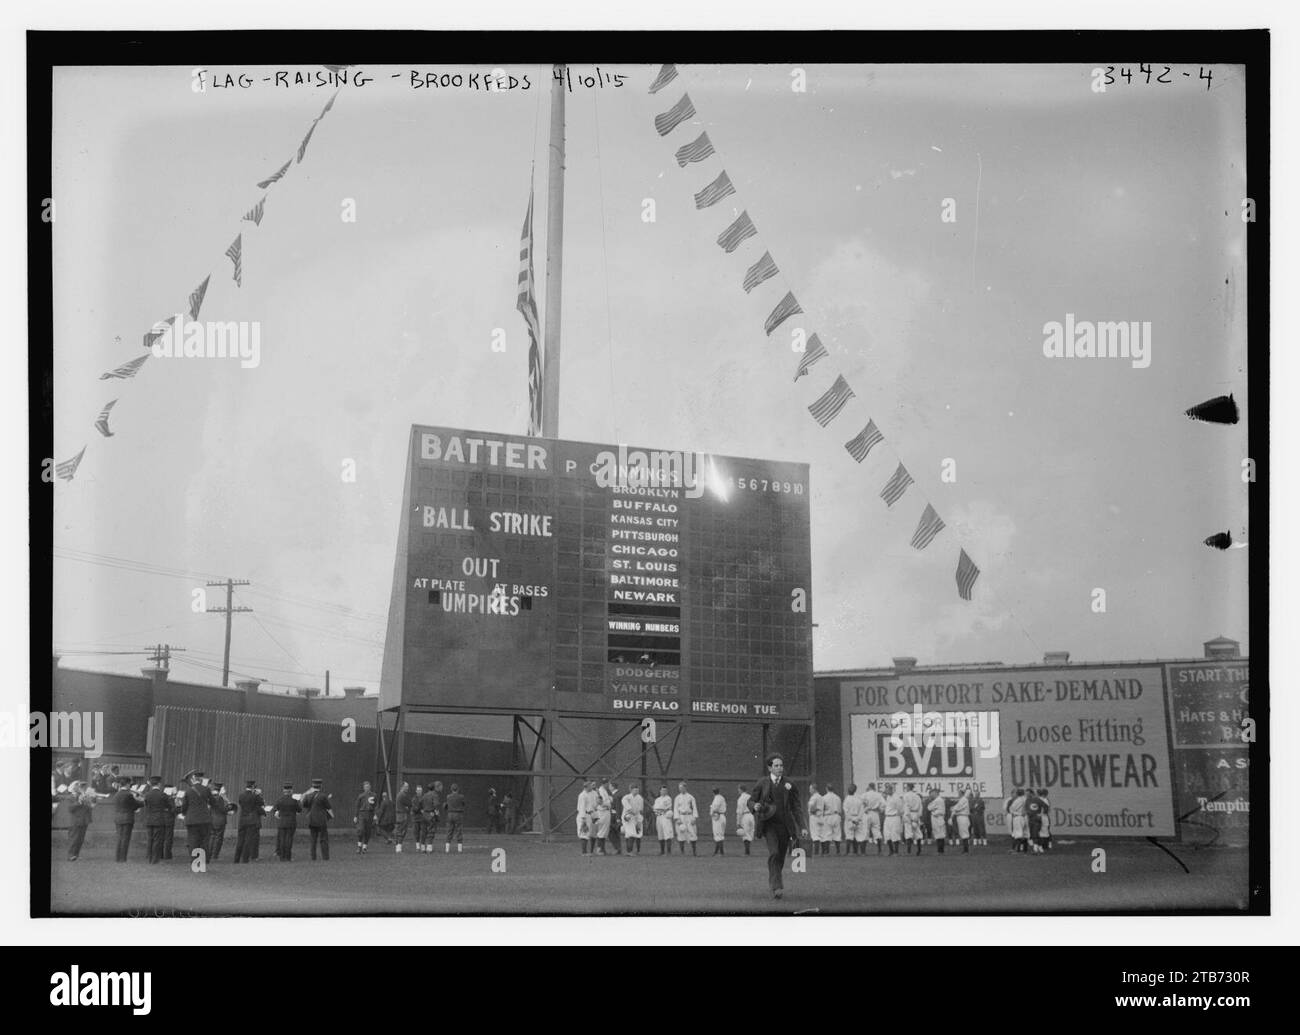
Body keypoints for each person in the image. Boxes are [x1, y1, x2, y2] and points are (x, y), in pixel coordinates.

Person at [747, 754, 808, 900]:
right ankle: (777, 887)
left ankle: (774, 881)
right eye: (776, 766)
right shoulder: (762, 783)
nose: (780, 768)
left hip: (786, 827)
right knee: (774, 853)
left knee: (780, 856)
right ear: (770, 767)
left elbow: (796, 807)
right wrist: (754, 806)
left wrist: (803, 827)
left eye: (781, 765)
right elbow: (750, 800)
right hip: (768, 826)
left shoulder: (790, 784)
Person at [178, 769, 214, 861]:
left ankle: (195, 861)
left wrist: (184, 813)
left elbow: (184, 806)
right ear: (201, 779)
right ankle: (203, 860)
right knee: (204, 841)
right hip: (204, 819)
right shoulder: (206, 790)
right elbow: (213, 803)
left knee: (193, 841)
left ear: (194, 778)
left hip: (191, 820)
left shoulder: (188, 791)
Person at [110, 776, 142, 863]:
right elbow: (135, 805)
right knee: (125, 839)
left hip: (118, 818)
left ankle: (117, 857)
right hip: (127, 818)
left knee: (119, 838)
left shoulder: (117, 794)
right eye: (129, 784)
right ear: (127, 784)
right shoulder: (128, 794)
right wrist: (140, 799)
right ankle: (123, 858)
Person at [234, 780, 265, 864]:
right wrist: (258, 795)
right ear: (252, 787)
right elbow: (261, 803)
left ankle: (236, 859)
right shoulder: (254, 796)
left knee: (240, 840)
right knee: (248, 840)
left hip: (242, 819)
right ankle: (245, 859)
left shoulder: (241, 795)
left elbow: (241, 804)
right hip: (251, 820)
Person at [303, 778, 334, 861]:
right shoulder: (323, 796)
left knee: (313, 839)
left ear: (313, 786)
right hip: (321, 820)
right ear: (320, 786)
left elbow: (304, 805)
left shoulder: (308, 796)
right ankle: (325, 857)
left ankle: (313, 857)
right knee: (323, 839)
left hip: (312, 820)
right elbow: (328, 807)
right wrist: (332, 815)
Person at [142, 775, 171, 864]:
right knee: (157, 840)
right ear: (159, 784)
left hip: (149, 819)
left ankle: (150, 858)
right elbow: (169, 806)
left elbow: (146, 806)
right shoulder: (163, 795)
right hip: (159, 820)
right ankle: (155, 859)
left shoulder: (147, 795)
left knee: (150, 839)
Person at [65, 781, 95, 861]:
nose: (81, 788)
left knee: (80, 840)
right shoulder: (69, 797)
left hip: (84, 821)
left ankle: (76, 855)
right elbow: (70, 808)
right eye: (79, 786)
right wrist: (79, 802)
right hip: (75, 821)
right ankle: (70, 855)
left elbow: (89, 807)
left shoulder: (83, 796)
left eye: (81, 786)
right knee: (73, 839)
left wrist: (91, 802)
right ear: (73, 787)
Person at [272, 783, 301, 861]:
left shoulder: (280, 800)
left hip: (282, 822)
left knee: (282, 839)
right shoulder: (294, 801)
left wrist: (277, 814)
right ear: (291, 791)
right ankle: (288, 857)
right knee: (289, 840)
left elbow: (274, 810)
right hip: (291, 822)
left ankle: (281, 857)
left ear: (283, 791)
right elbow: (299, 810)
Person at [208, 781, 236, 861]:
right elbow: (222, 809)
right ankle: (215, 855)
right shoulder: (220, 798)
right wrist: (229, 809)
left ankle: (209, 853)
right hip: (220, 820)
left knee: (212, 837)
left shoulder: (211, 796)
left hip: (212, 819)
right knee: (218, 838)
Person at [673, 781, 699, 855]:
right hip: (681, 816)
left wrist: (694, 818)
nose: (680, 789)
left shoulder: (691, 797)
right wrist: (677, 818)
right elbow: (675, 808)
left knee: (692, 832)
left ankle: (694, 851)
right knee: (680, 832)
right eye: (679, 788)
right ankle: (682, 852)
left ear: (685, 788)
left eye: (682, 788)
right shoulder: (677, 798)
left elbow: (694, 808)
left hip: (689, 816)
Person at [354, 780, 378, 854]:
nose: (367, 788)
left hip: (370, 814)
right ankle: (359, 846)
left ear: (370, 787)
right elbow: (357, 806)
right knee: (361, 830)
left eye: (368, 786)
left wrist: (375, 814)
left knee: (368, 831)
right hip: (362, 813)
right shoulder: (361, 796)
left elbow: (376, 806)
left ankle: (365, 847)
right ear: (363, 788)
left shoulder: (374, 795)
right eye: (365, 787)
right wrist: (355, 816)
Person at [861, 783, 885, 853]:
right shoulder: (878, 795)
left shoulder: (865, 794)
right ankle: (879, 850)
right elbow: (883, 804)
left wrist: (864, 808)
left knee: (865, 831)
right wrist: (880, 809)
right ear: (874, 787)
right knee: (877, 830)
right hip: (875, 813)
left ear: (869, 787)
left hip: (867, 813)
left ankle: (863, 852)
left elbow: (860, 803)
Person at [621, 782, 644, 853]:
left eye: (637, 790)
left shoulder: (640, 798)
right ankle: (629, 851)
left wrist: (639, 820)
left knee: (629, 834)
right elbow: (628, 808)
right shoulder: (626, 797)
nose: (636, 791)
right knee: (631, 834)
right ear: (631, 790)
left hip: (635, 817)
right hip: (627, 817)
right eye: (634, 790)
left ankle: (629, 851)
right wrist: (632, 812)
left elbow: (640, 809)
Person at [593, 778, 614, 856]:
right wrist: (608, 802)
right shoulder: (600, 791)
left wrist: (609, 801)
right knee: (602, 830)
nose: (608, 784)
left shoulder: (605, 790)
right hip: (602, 811)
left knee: (605, 831)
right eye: (607, 783)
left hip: (606, 811)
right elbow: (600, 802)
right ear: (604, 784)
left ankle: (603, 849)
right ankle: (599, 849)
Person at [901, 783, 924, 855]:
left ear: (908, 787)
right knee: (917, 832)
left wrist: (908, 816)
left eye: (906, 787)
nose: (906, 788)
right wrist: (918, 816)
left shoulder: (906, 795)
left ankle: (909, 851)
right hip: (916, 814)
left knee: (908, 832)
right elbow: (921, 807)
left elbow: (906, 806)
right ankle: (919, 850)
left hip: (909, 814)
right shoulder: (917, 796)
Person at [842, 784, 865, 855]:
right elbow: (862, 810)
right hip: (857, 818)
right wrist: (858, 819)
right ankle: (859, 852)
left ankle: (848, 852)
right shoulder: (858, 799)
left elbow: (846, 811)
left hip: (850, 819)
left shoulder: (847, 799)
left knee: (849, 835)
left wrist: (851, 819)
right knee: (859, 835)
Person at [821, 783, 843, 855]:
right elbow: (840, 809)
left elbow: (822, 808)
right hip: (836, 815)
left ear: (826, 789)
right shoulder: (837, 797)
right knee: (837, 833)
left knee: (827, 834)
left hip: (828, 815)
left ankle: (827, 851)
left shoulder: (824, 797)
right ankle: (838, 851)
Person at [576, 779, 596, 855]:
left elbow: (594, 804)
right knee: (584, 833)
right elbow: (582, 808)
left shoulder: (591, 793)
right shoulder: (582, 795)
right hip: (584, 815)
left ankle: (590, 851)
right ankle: (584, 852)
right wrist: (583, 819)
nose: (592, 787)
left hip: (590, 814)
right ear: (586, 787)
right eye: (590, 786)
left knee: (590, 833)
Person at [444, 783, 466, 852]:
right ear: (458, 789)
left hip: (450, 814)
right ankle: (459, 849)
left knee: (449, 831)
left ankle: (447, 849)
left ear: (451, 789)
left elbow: (446, 805)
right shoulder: (461, 796)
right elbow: (463, 804)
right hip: (458, 814)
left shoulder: (448, 796)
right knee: (459, 831)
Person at [652, 785, 674, 854]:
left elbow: (667, 808)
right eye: (662, 790)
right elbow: (655, 809)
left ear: (667, 791)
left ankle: (668, 851)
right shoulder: (657, 799)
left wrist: (659, 810)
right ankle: (662, 851)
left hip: (665, 817)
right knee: (660, 834)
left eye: (665, 790)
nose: (663, 791)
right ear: (660, 791)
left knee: (667, 833)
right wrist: (656, 810)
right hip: (659, 817)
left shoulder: (668, 798)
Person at [882, 784, 904, 855]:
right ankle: (891, 851)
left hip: (894, 817)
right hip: (887, 817)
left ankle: (896, 852)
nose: (886, 791)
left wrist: (897, 815)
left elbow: (900, 809)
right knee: (887, 834)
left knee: (895, 834)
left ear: (891, 789)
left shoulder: (897, 798)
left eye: (887, 789)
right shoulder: (888, 797)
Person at [950, 787, 972, 853]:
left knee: (964, 833)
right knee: (963, 833)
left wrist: (953, 809)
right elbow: (956, 807)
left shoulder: (964, 799)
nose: (958, 793)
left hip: (963, 817)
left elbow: (957, 808)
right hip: (960, 817)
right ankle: (965, 849)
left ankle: (966, 850)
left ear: (961, 793)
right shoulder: (962, 799)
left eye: (959, 792)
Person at [1025, 788, 1046, 854]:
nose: (1027, 795)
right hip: (1030, 819)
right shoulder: (1027, 800)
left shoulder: (1037, 800)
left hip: (1036, 819)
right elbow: (1026, 809)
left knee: (1035, 833)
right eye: (1026, 794)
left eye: (1028, 794)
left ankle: (1035, 850)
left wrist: (1041, 814)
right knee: (1033, 833)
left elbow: (1046, 806)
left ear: (1031, 793)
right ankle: (1040, 848)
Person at [927, 786, 948, 853]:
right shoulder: (938, 800)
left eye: (931, 793)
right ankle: (940, 850)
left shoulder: (938, 800)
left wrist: (933, 811)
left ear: (935, 793)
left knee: (939, 834)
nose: (930, 795)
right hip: (937, 818)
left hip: (938, 818)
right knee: (939, 834)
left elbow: (929, 808)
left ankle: (940, 850)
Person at [735, 784, 755, 854]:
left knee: (745, 833)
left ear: (741, 790)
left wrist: (738, 822)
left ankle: (747, 852)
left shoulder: (741, 798)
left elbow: (739, 811)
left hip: (745, 816)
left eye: (738, 789)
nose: (738, 791)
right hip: (751, 815)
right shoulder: (750, 797)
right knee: (750, 832)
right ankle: (748, 851)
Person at [394, 781, 414, 852]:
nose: (407, 788)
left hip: (399, 814)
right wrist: (408, 807)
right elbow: (410, 803)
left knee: (399, 830)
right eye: (406, 786)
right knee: (402, 831)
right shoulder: (403, 795)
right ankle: (399, 848)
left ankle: (397, 847)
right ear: (402, 787)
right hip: (402, 815)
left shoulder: (399, 794)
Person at [1007, 788, 1028, 853]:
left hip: (1018, 817)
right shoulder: (1026, 799)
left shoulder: (1017, 800)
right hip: (1025, 817)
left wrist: (1015, 812)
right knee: (1025, 834)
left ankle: (1016, 850)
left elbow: (1011, 809)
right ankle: (1025, 850)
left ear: (1018, 793)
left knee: (1017, 834)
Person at [708, 787, 727, 855]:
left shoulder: (717, 798)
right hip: (721, 816)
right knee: (720, 834)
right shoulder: (721, 797)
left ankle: (721, 852)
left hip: (718, 816)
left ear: (713, 792)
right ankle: (716, 852)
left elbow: (715, 807)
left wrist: (712, 812)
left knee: (718, 834)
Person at [608, 780, 624, 855]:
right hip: (614, 815)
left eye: (610, 786)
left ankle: (617, 848)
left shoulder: (617, 795)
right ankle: (618, 848)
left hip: (614, 816)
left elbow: (618, 807)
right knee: (615, 833)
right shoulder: (616, 794)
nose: (609, 787)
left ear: (613, 787)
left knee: (612, 833)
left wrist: (618, 818)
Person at [807, 784, 824, 855]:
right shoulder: (820, 796)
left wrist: (812, 811)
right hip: (820, 816)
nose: (809, 790)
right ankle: (823, 851)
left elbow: (811, 805)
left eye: (810, 789)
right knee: (820, 834)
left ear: (814, 789)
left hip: (814, 816)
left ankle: (816, 852)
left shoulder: (814, 797)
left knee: (815, 834)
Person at [412, 784, 428, 853]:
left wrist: (422, 809)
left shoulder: (424, 798)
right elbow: (414, 809)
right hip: (416, 818)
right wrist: (420, 808)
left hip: (423, 818)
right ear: (416, 791)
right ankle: (417, 847)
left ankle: (423, 847)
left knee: (424, 833)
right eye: (418, 790)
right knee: (416, 833)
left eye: (420, 790)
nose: (419, 791)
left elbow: (426, 807)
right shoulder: (414, 799)